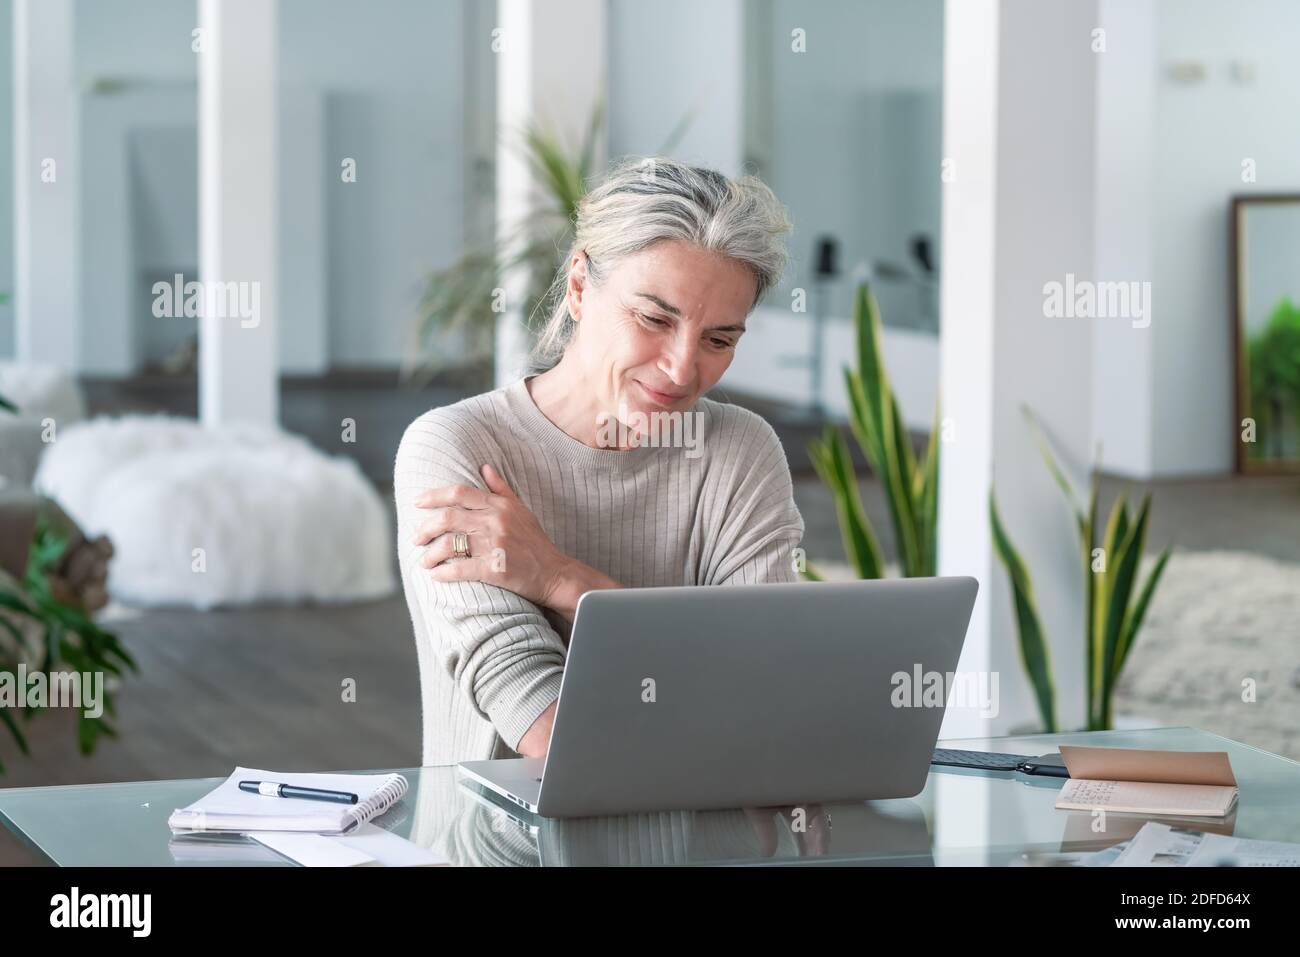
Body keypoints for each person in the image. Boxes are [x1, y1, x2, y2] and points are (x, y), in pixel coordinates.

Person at [395, 156, 805, 765]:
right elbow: (556, 736)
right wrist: (712, 695)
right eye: (652, 319)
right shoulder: (457, 448)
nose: (682, 368)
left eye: (720, 340)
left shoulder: (740, 451)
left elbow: (767, 696)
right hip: (502, 850)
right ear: (581, 286)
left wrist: (566, 581)